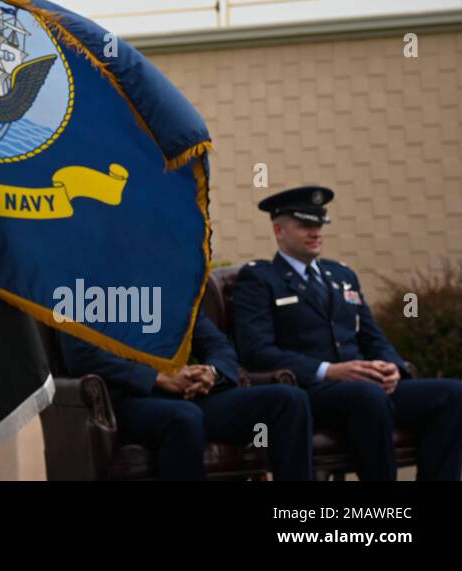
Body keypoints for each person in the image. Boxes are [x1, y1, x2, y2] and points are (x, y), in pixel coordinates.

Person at [233, 185, 462, 480]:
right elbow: (257, 350)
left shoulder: (341, 274)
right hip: (311, 390)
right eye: (305, 225)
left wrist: (392, 367)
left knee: (453, 393)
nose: (315, 232)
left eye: (319, 224)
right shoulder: (259, 278)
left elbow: (371, 335)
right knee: (367, 395)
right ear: (279, 231)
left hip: (364, 386)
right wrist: (329, 370)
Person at [60, 312, 313, 480]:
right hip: (128, 400)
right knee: (184, 417)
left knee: (289, 400)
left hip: (190, 393)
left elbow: (218, 344)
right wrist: (158, 378)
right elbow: (82, 355)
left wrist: (211, 372)